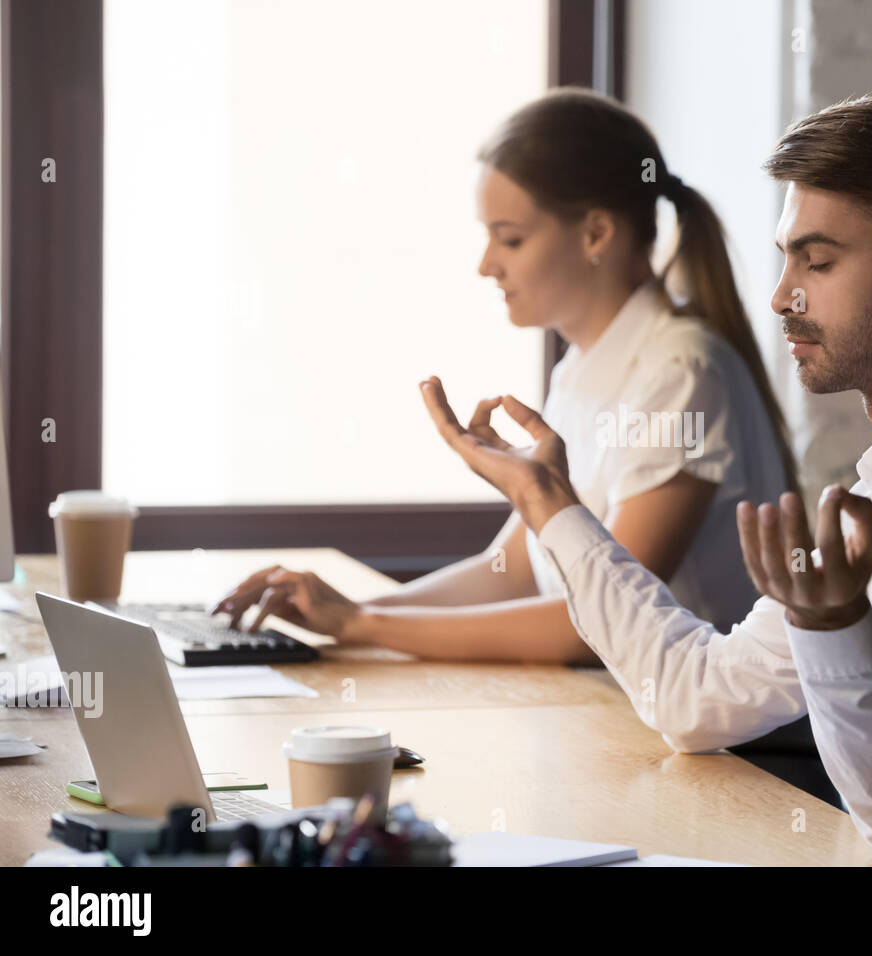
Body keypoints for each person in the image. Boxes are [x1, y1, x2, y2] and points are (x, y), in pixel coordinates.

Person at [418, 89, 872, 866]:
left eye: (817, 261)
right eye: (786, 259)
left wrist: (835, 624)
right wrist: (550, 505)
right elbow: (695, 698)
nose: (782, 297)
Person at [211, 89, 797, 666]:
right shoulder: (586, 366)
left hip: (734, 753)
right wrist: (345, 612)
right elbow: (516, 570)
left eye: (509, 237)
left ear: (596, 234)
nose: (486, 263)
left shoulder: (682, 371)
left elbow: (606, 622)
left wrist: (366, 626)